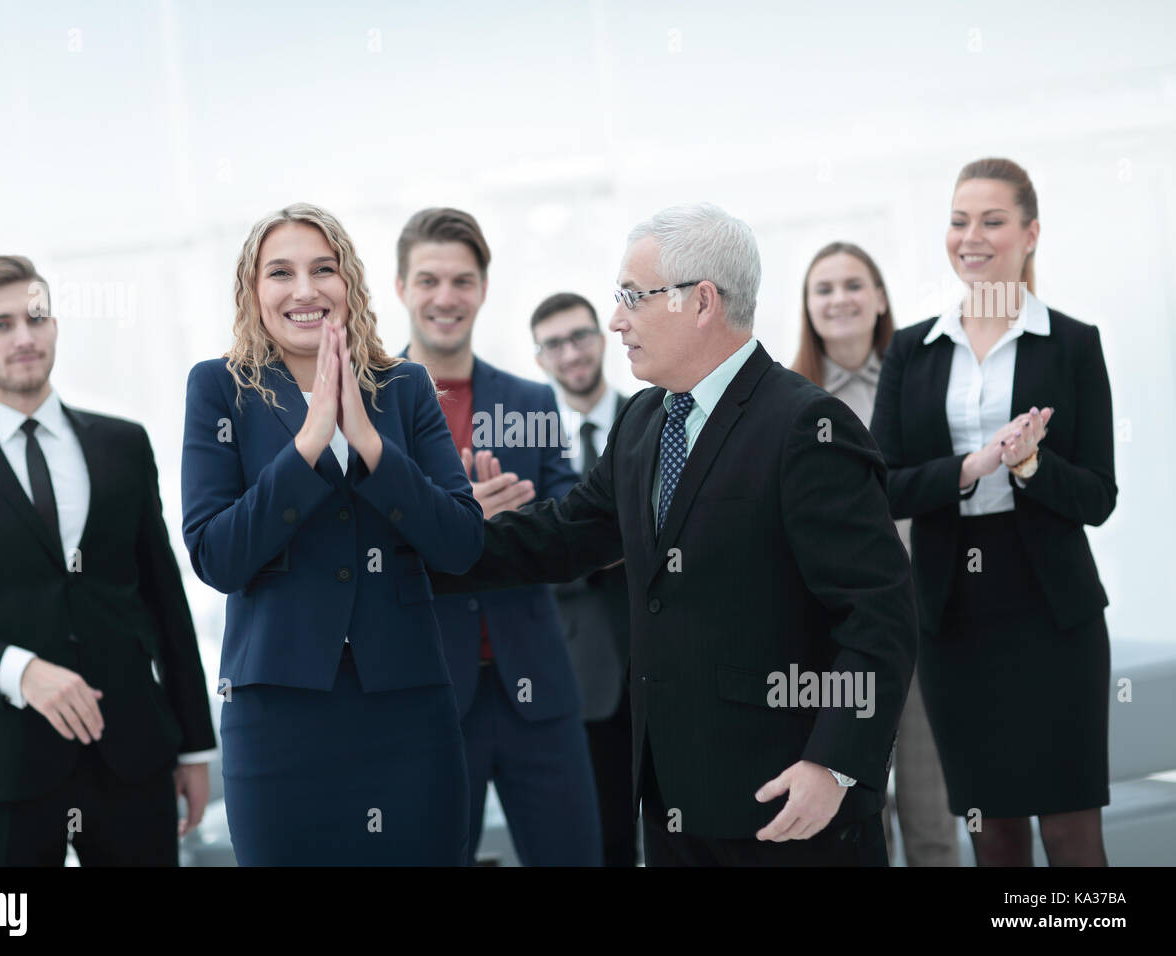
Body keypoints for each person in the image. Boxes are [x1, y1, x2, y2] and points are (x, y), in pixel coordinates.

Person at [432, 202, 917, 866]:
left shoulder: (806, 429)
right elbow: (563, 534)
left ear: (702, 301)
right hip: (671, 803)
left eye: (633, 296)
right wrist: (432, 542)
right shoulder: (644, 421)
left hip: (789, 808)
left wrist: (832, 766)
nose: (616, 320)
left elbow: (879, 617)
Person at [0, 254, 216, 865]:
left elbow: (165, 600)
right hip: (4, 773)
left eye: (37, 318)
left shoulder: (123, 444)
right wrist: (17, 670)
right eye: (1, 324)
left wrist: (194, 747)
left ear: (56, 324)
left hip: (133, 759)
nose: (25, 337)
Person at [181, 203, 482, 865]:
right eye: (280, 272)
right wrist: (312, 441)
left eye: (324, 269)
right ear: (252, 291)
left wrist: (370, 445)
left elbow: (461, 544)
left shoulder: (404, 387)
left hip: (408, 712)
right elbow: (216, 555)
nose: (305, 289)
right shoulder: (218, 389)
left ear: (350, 282)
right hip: (277, 716)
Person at [871, 158, 1116, 867]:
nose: (971, 236)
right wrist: (971, 469)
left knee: (1071, 833)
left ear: (1030, 233)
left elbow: (1099, 495)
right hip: (954, 613)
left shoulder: (1072, 344)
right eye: (958, 219)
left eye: (992, 220)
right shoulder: (912, 352)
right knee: (992, 832)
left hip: (1054, 610)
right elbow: (882, 486)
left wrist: (1031, 466)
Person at [395, 208, 602, 866]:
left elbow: (578, 520)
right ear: (401, 288)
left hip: (536, 686)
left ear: (484, 288)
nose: (446, 298)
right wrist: (452, 522)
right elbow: (356, 551)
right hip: (425, 695)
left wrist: (510, 523)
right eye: (428, 280)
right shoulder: (369, 408)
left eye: (462, 280)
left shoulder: (528, 401)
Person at [791, 243, 958, 867]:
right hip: (834, 632)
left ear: (880, 298)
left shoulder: (917, 382)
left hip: (920, 619)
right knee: (857, 808)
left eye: (853, 285)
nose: (840, 300)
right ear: (808, 307)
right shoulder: (789, 397)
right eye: (824, 288)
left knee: (931, 810)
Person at [531, 291, 637, 867]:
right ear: (541, 359)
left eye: (580, 336)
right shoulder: (531, 441)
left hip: (665, 658)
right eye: (555, 344)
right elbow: (529, 547)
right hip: (580, 670)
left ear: (601, 339)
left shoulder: (654, 417)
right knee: (606, 837)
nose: (571, 353)